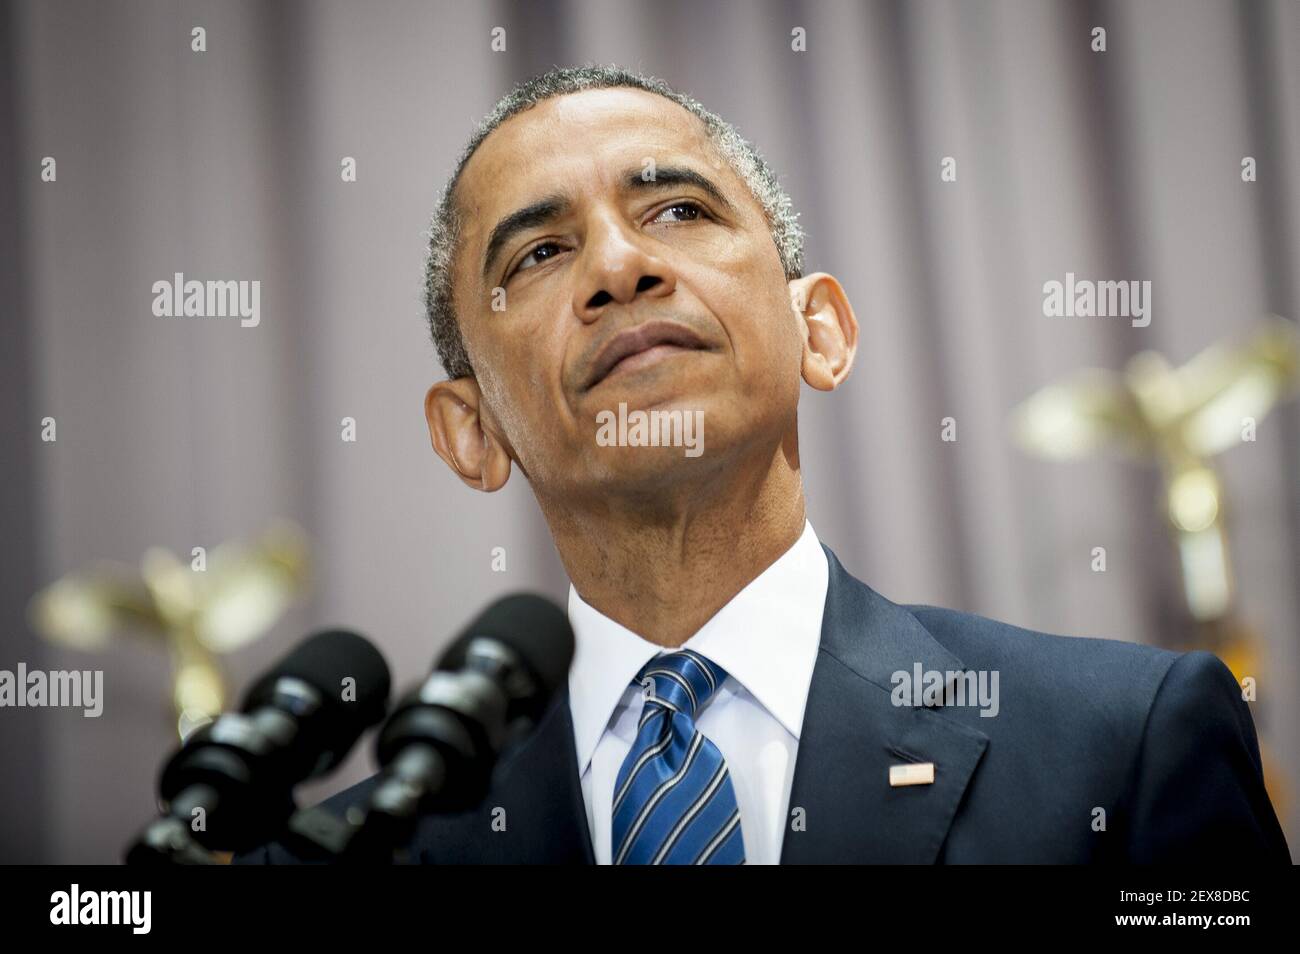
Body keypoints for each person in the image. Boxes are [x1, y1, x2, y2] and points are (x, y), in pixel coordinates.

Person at [237, 65, 1289, 865]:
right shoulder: (360, 850)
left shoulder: (1122, 742)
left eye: (679, 212)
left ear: (820, 331)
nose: (618, 266)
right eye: (541, 254)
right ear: (472, 432)